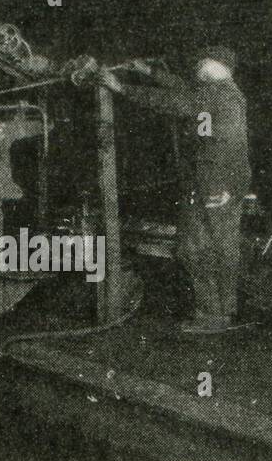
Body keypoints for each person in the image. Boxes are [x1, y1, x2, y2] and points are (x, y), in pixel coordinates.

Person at [94, 46, 251, 333]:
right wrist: (150, 72)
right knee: (221, 248)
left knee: (194, 249)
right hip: (224, 183)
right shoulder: (225, 92)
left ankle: (211, 316)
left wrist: (121, 87)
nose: (198, 66)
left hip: (212, 186)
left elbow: (175, 102)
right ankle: (225, 310)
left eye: (203, 62)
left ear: (217, 65)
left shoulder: (214, 94)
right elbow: (185, 91)